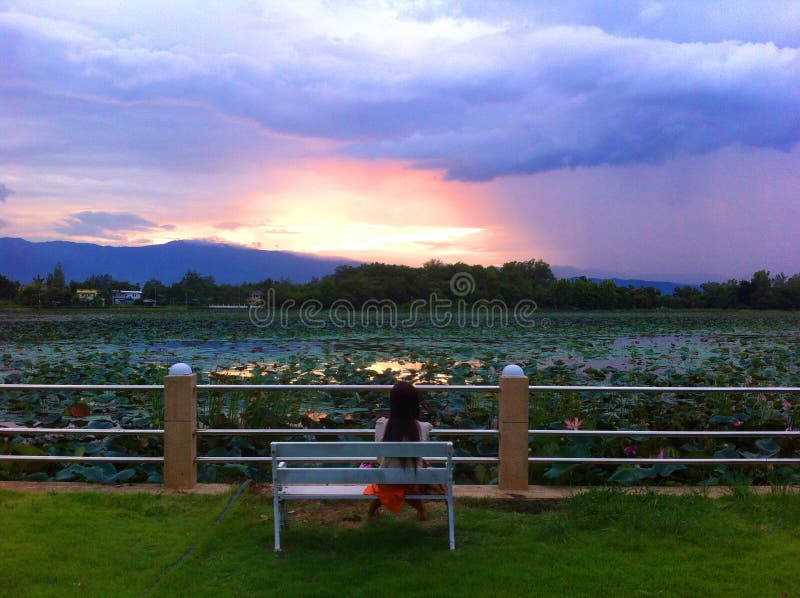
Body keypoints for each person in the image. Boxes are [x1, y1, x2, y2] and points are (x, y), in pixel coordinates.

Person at [364, 381, 433, 521]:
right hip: (414, 481)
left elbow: (379, 458)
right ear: (415, 404)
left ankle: (371, 512)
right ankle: (421, 511)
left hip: (386, 481)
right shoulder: (423, 427)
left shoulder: (382, 425)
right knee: (413, 471)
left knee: (390, 479)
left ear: (393, 403)